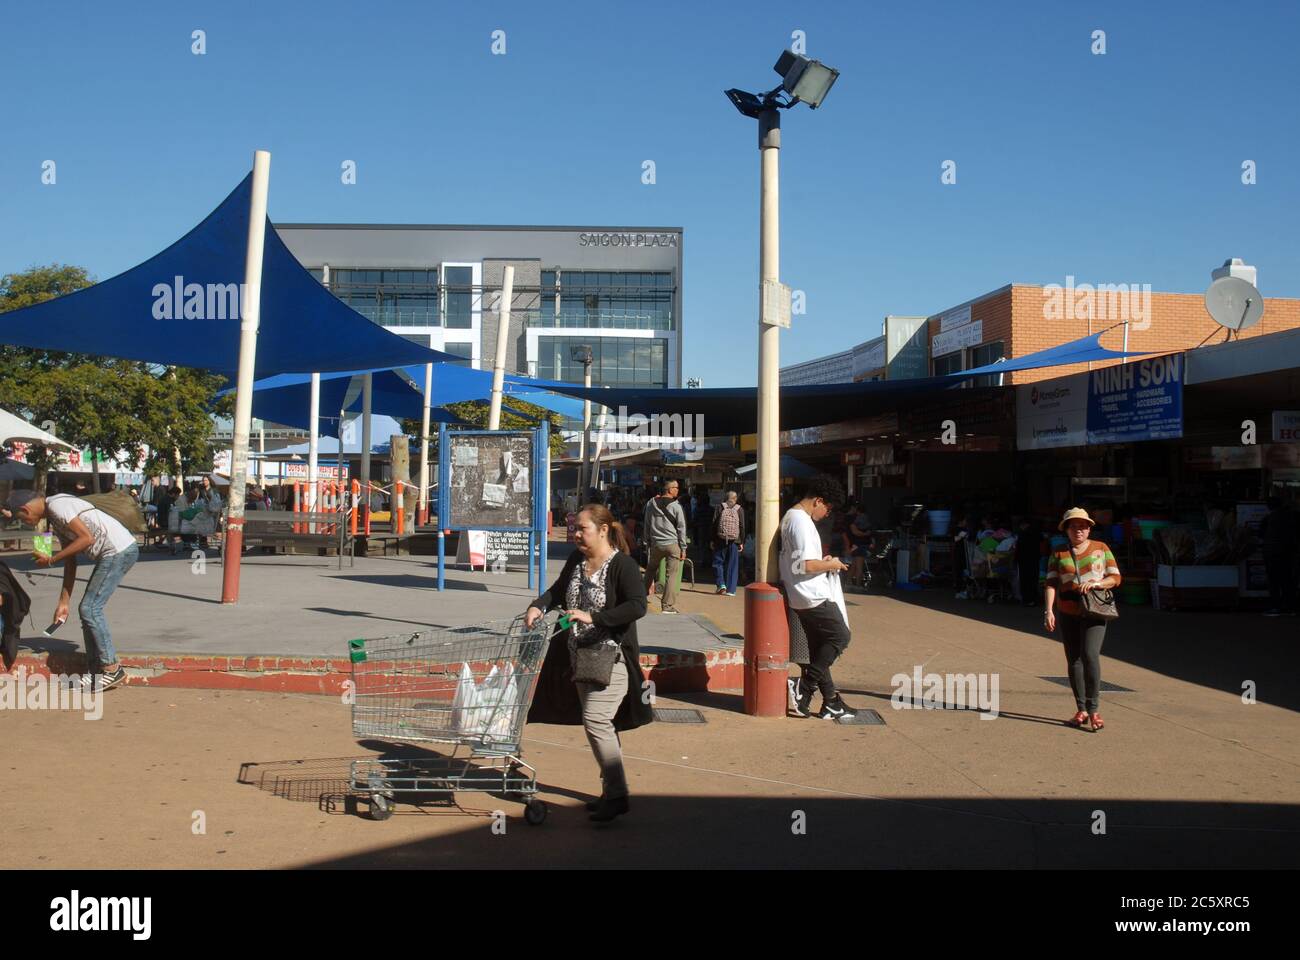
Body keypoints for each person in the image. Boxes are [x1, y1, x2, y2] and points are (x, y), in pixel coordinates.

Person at [524, 503, 652, 822]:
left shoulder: (622, 565)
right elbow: (556, 592)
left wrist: (594, 616)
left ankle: (618, 794)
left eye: (582, 528)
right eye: (575, 528)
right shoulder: (576, 561)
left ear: (603, 530)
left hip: (612, 658)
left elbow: (638, 606)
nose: (576, 534)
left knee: (595, 721)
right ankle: (610, 789)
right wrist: (538, 606)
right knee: (599, 724)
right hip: (578, 657)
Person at [6, 489, 138, 690]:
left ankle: (112, 669)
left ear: (25, 509)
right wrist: (63, 602)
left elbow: (86, 539)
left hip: (118, 551)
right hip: (112, 554)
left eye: (21, 518)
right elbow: (71, 561)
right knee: (87, 610)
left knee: (90, 609)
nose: (24, 522)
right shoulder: (54, 516)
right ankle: (96, 672)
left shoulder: (58, 506)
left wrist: (51, 560)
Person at [780, 475, 858, 721]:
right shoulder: (801, 522)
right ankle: (803, 688)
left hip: (800, 595)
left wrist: (823, 563)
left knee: (818, 652)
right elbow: (805, 565)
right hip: (812, 595)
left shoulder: (792, 517)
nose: (827, 514)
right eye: (828, 508)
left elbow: (799, 562)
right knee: (840, 637)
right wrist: (831, 563)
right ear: (819, 501)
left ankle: (831, 702)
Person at [1044, 507, 1122, 732]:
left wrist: (1097, 583)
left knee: (1090, 655)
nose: (1079, 530)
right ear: (1066, 529)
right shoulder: (1058, 552)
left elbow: (1115, 577)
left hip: (1095, 610)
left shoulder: (1101, 548)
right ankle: (1081, 709)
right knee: (1074, 659)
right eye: (1074, 526)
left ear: (1089, 529)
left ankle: (1094, 708)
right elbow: (1051, 583)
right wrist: (1049, 611)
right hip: (1067, 610)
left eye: (1083, 526)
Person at [642, 478, 688, 614]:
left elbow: (647, 523)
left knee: (650, 570)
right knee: (672, 575)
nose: (678, 490)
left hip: (656, 545)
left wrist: (647, 542)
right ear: (670, 489)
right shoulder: (676, 506)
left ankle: (640, 599)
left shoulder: (651, 503)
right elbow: (681, 528)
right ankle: (667, 606)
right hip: (672, 545)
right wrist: (683, 548)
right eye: (676, 488)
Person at [1260, 497, 1298, 617]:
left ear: (1269, 506)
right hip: (1288, 553)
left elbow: (1261, 534)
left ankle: (1276, 607)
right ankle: (1290, 607)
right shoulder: (1292, 516)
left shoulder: (1269, 518)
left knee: (1274, 581)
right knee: (1288, 580)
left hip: (1272, 553)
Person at [711, 490, 745, 597]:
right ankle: (731, 590)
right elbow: (742, 526)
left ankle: (721, 584)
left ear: (725, 497)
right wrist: (741, 541)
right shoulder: (739, 509)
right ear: (735, 499)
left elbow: (714, 524)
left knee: (718, 562)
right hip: (734, 541)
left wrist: (712, 539)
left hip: (720, 539)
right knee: (733, 564)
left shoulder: (719, 507)